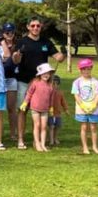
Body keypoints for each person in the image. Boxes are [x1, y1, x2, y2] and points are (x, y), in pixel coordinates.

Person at [12, 16, 64, 150]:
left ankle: (39, 141)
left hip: (42, 83)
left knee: (42, 111)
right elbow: (16, 60)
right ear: (28, 27)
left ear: (41, 27)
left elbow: (57, 55)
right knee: (22, 110)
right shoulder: (22, 42)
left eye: (38, 26)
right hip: (24, 81)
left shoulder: (46, 42)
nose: (35, 28)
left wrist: (61, 56)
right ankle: (21, 140)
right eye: (33, 25)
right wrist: (16, 57)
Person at [20, 63, 56, 153]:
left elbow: (51, 98)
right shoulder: (35, 83)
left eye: (48, 73)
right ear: (40, 74)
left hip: (45, 109)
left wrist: (51, 107)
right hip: (35, 108)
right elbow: (29, 93)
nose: (46, 75)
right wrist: (25, 103)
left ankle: (43, 144)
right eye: (44, 73)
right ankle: (37, 143)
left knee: (44, 127)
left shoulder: (51, 86)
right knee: (37, 125)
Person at [72, 58, 98, 155]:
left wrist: (94, 105)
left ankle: (95, 147)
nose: (86, 71)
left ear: (91, 68)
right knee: (84, 128)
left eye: (88, 69)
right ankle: (85, 147)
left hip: (94, 109)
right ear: (80, 70)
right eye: (84, 69)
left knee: (93, 128)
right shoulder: (77, 82)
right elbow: (76, 95)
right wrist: (82, 106)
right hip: (82, 109)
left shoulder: (96, 82)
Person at [0, 22, 19, 140]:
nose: (9, 34)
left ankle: (13, 134)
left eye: (11, 32)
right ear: (3, 33)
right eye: (7, 32)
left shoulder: (18, 45)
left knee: (11, 108)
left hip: (12, 78)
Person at [47, 75, 68, 147]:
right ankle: (51, 140)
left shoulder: (60, 92)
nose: (54, 85)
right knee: (51, 126)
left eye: (56, 84)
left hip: (58, 113)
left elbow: (63, 102)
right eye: (53, 83)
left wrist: (66, 109)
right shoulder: (48, 92)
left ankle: (55, 138)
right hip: (50, 113)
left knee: (57, 126)